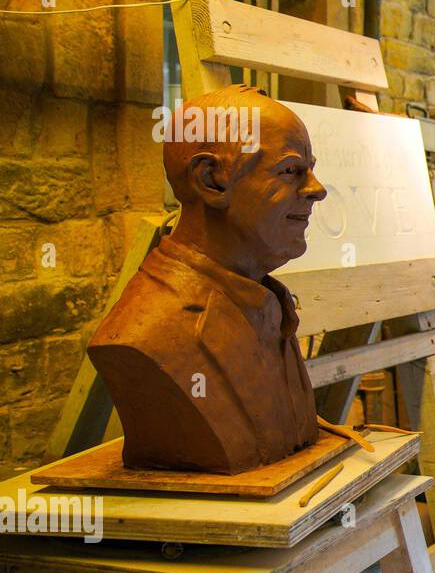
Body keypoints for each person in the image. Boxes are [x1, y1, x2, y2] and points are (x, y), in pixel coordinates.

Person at [88, 85, 325, 474]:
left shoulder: (268, 304)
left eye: (310, 169)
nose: (316, 189)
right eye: (289, 171)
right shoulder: (147, 336)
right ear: (211, 180)